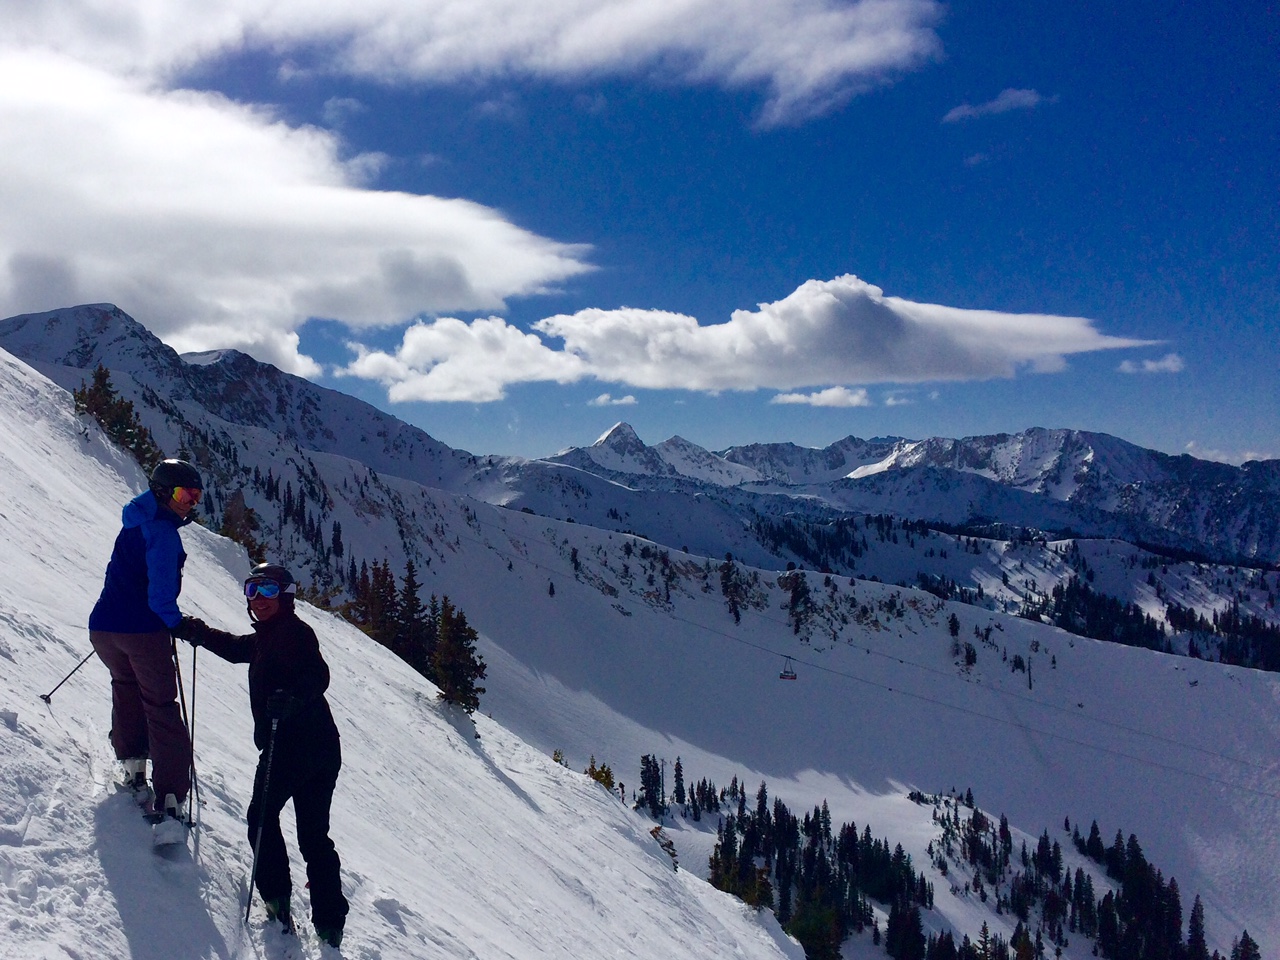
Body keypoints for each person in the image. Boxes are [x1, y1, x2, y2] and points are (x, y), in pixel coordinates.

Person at [174, 563, 349, 947]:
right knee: (314, 836)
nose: (259, 600)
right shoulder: (266, 637)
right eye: (252, 590)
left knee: (261, 818)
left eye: (268, 591)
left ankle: (276, 898)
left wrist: (294, 699)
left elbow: (318, 675)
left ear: (285, 596)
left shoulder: (297, 633)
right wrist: (196, 632)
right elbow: (238, 649)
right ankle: (330, 922)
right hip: (321, 746)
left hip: (292, 746)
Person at [89, 458, 202, 823]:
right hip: (143, 632)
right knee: (161, 707)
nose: (191, 503)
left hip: (104, 628)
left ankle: (132, 764)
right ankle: (170, 801)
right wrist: (177, 624)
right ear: (163, 491)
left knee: (125, 686)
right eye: (186, 494)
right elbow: (160, 598)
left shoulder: (133, 521)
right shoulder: (164, 534)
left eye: (197, 496)